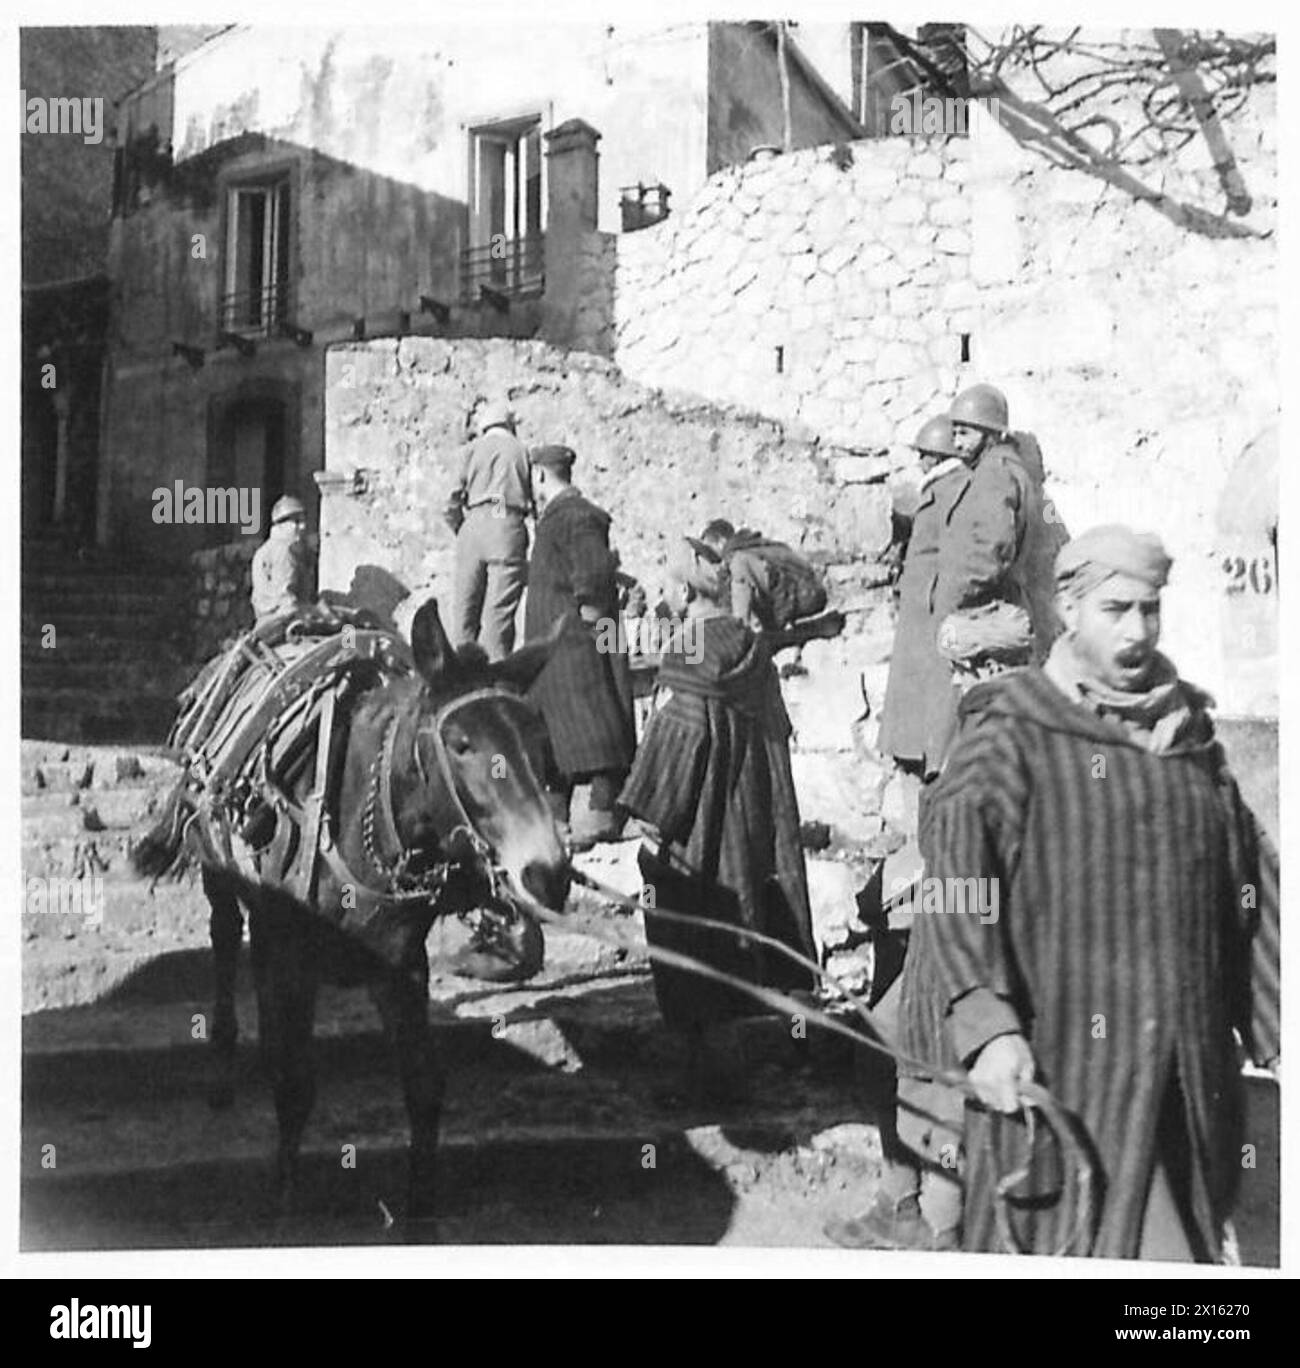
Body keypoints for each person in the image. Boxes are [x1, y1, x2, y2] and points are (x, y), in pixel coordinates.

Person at [894, 525, 1279, 1260]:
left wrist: (1278, 1019)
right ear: (1068, 610)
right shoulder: (1012, 737)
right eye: (1115, 609)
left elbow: (1249, 889)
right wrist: (989, 1027)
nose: (1137, 630)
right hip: (1070, 1076)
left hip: (1186, 1084)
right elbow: (956, 888)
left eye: (1150, 609)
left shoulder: (1187, 742)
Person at [619, 537, 817, 1100]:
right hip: (756, 817)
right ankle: (787, 1036)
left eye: (666, 585)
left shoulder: (688, 654)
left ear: (684, 593)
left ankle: (703, 1065)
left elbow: (681, 739)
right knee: (763, 905)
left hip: (702, 826)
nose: (661, 594)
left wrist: (650, 817)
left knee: (686, 913)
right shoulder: (755, 652)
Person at [523, 444, 635, 849]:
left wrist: (586, 625)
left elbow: (591, 574)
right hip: (555, 644)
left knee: (593, 723)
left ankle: (600, 814)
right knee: (556, 729)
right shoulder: (561, 517)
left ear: (539, 476)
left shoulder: (576, 516)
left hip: (571, 644)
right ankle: (559, 817)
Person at [876, 416, 969, 776]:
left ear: (939, 456)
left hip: (930, 611)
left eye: (926, 455)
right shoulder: (943, 487)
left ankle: (927, 758)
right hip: (921, 608)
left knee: (927, 701)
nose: (921, 463)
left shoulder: (951, 488)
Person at [445, 399, 532, 660]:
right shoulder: (521, 451)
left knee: (464, 610)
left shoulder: (470, 450)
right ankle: (494, 673)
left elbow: (449, 501)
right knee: (498, 614)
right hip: (506, 525)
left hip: (473, 524)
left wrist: (462, 528)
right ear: (509, 424)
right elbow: (536, 498)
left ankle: (461, 672)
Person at [698, 519, 827, 636]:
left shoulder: (739, 559)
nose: (711, 557)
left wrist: (737, 634)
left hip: (804, 600)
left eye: (710, 549)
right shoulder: (758, 545)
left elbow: (741, 605)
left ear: (721, 542)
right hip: (813, 592)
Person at [251, 494, 314, 625]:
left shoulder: (266, 549)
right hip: (283, 619)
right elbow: (286, 598)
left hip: (266, 619)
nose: (303, 526)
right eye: (296, 522)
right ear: (280, 524)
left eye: (303, 521)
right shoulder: (284, 551)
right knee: (346, 628)